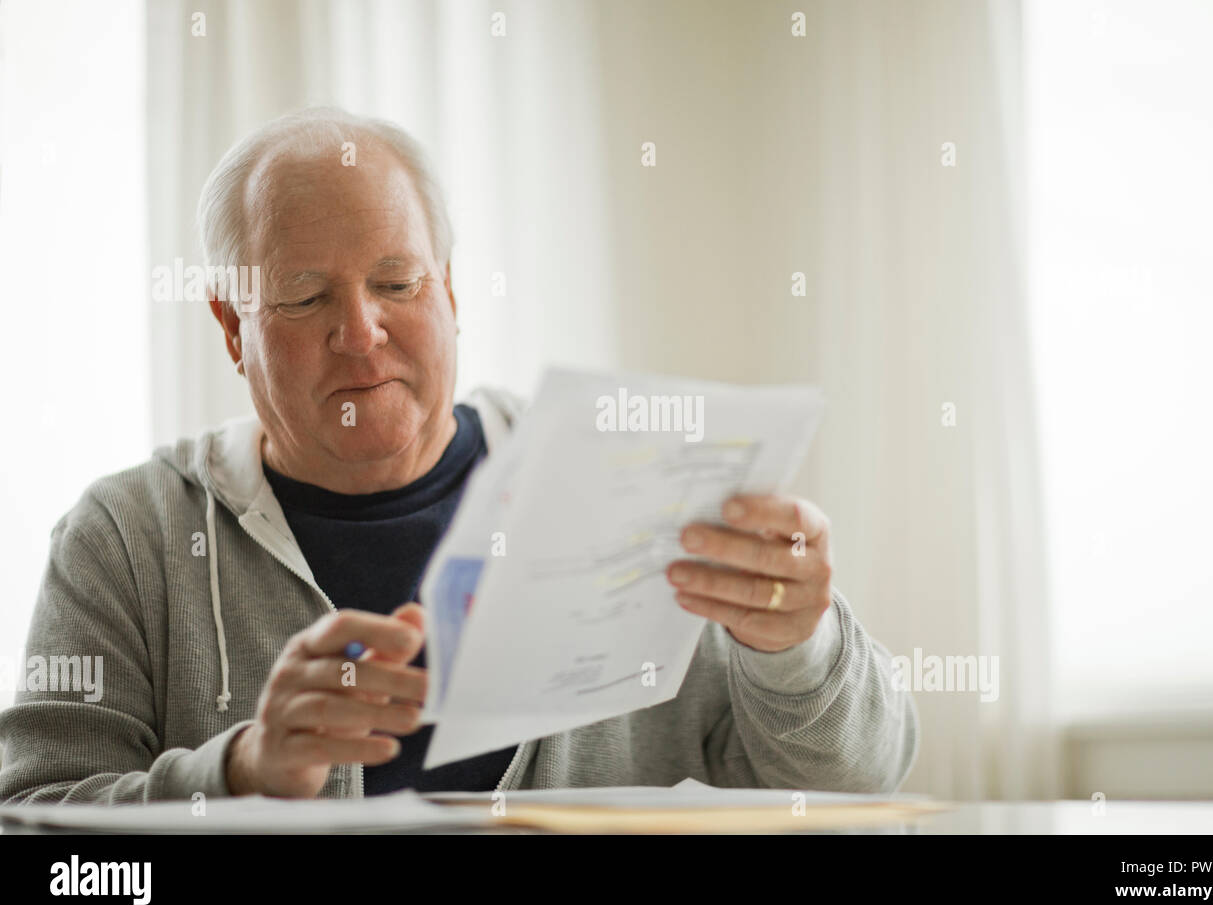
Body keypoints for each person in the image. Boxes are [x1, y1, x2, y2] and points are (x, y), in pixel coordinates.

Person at [0, 108, 917, 803]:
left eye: (397, 283)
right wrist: (241, 773)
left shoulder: (626, 479)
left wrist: (798, 639)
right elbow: (44, 843)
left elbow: (853, 781)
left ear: (450, 290)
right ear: (231, 327)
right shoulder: (125, 539)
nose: (361, 334)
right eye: (304, 297)